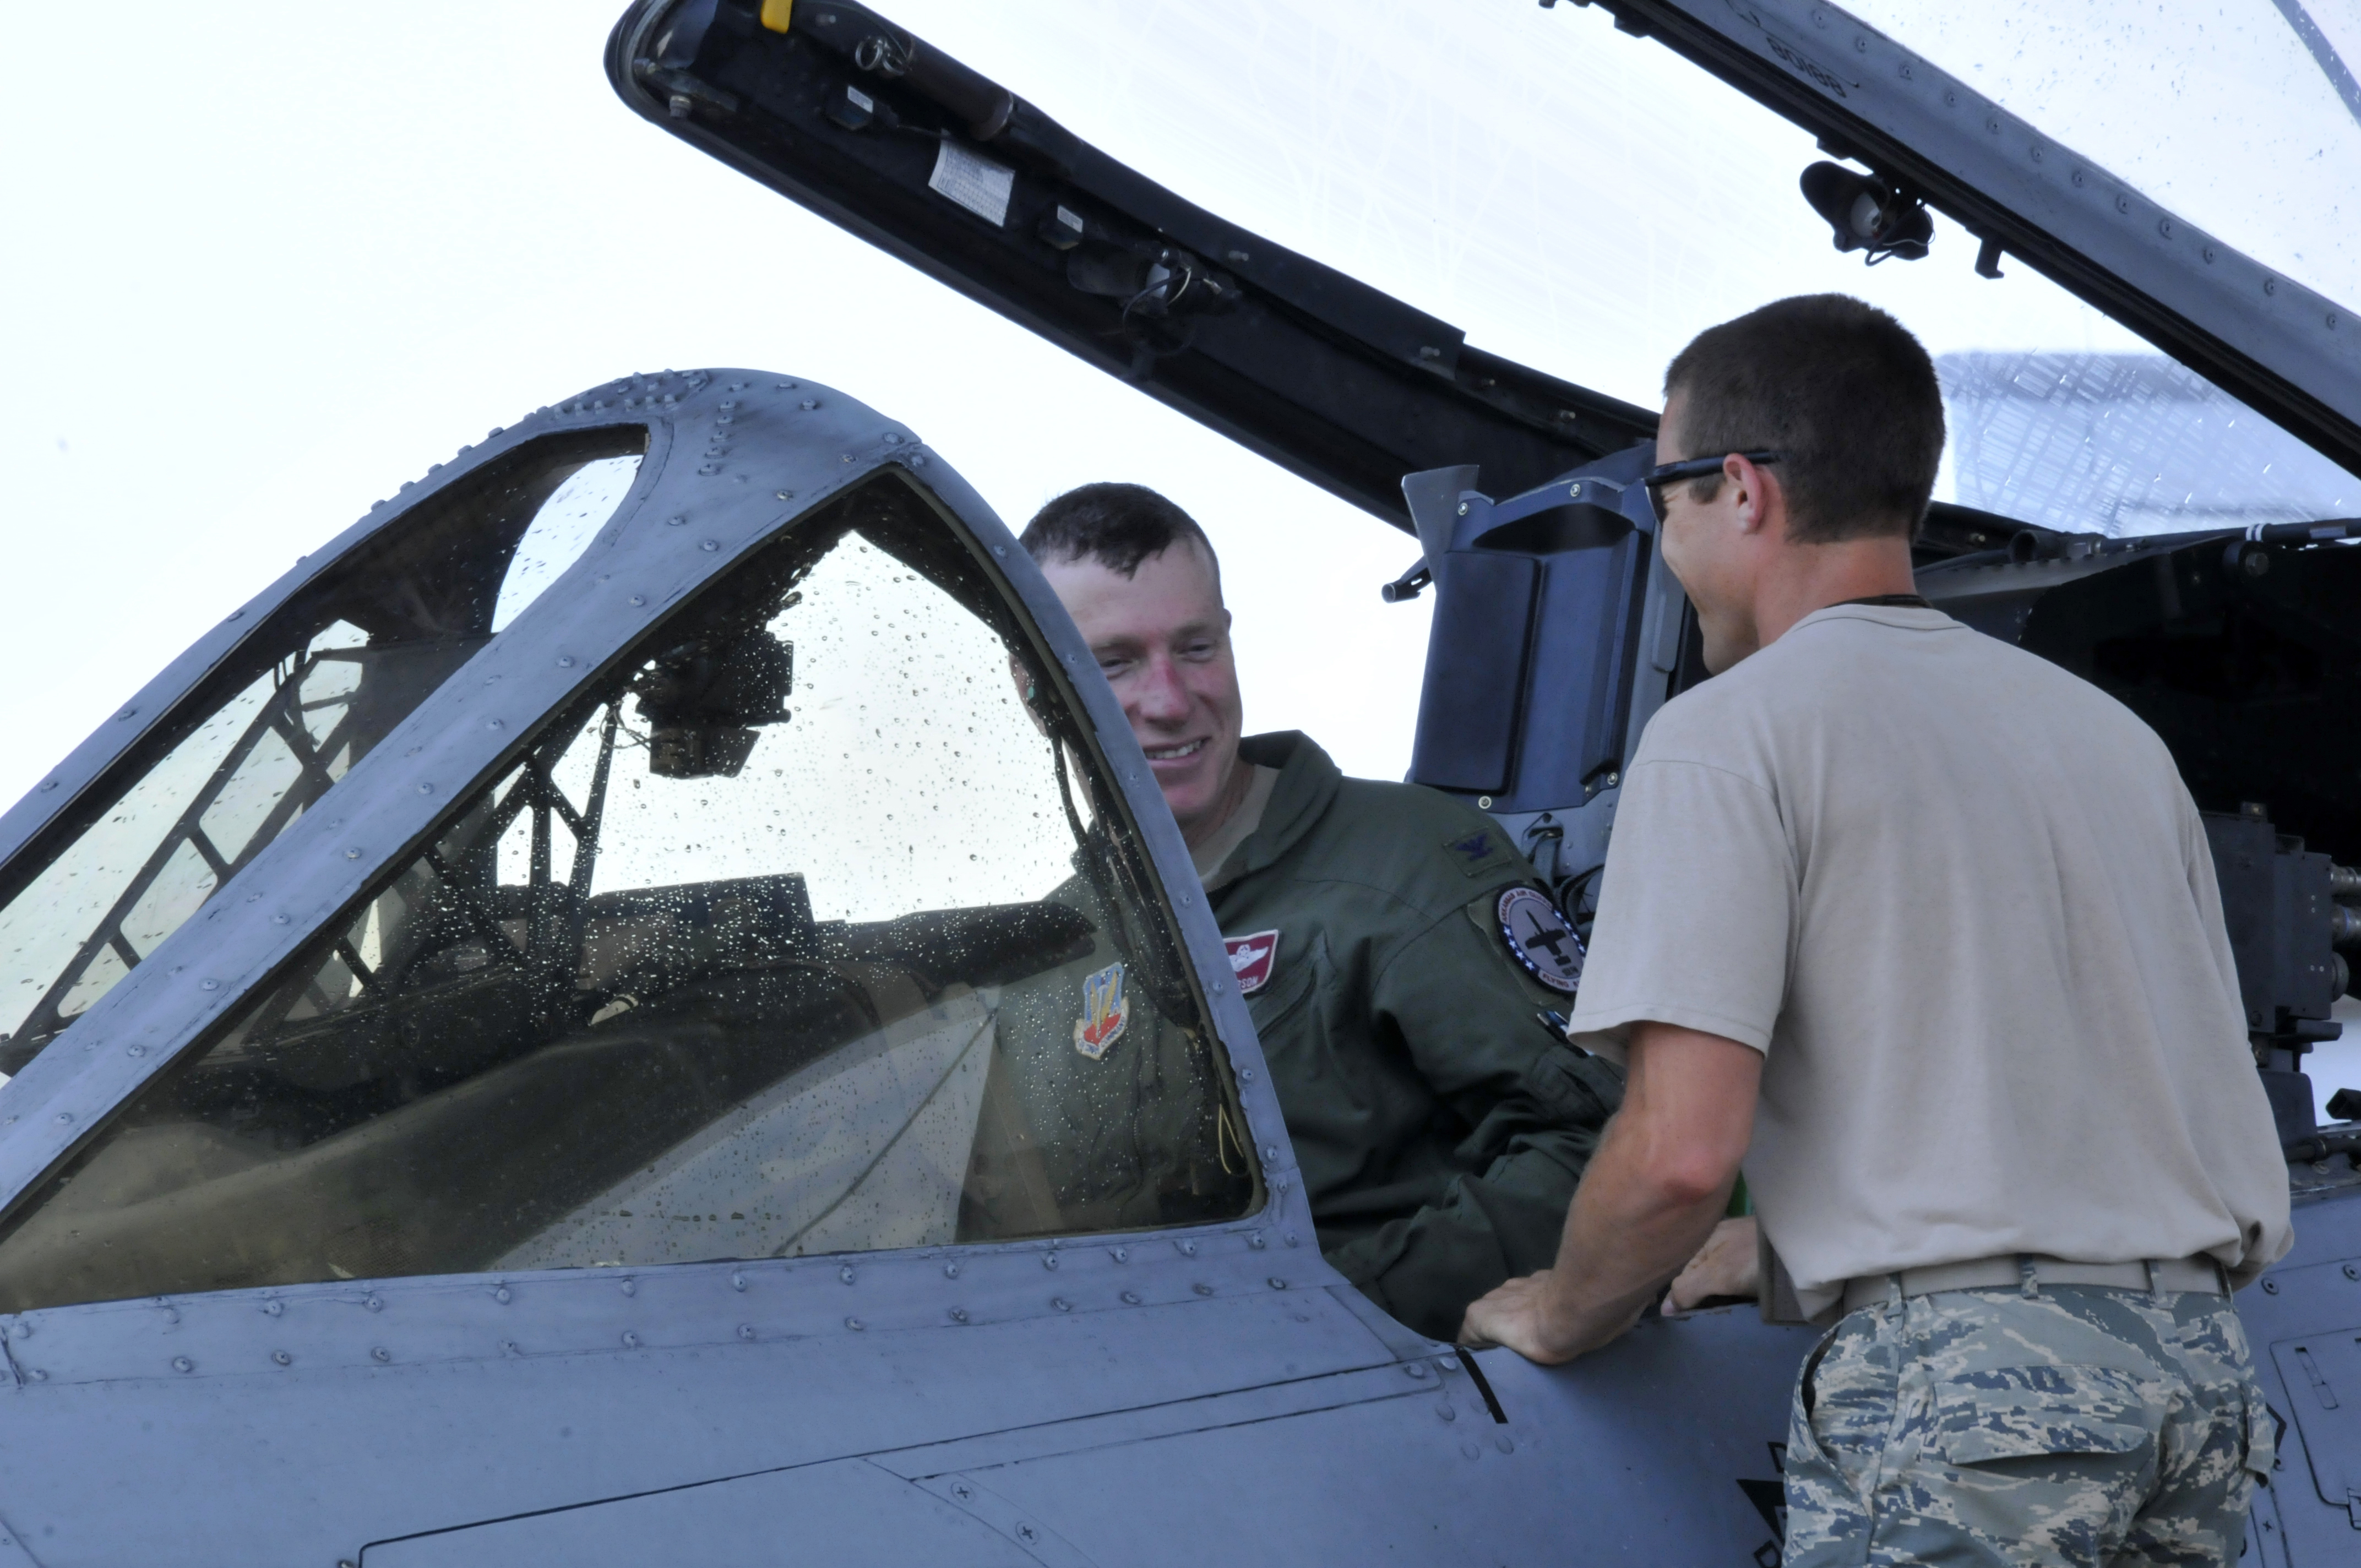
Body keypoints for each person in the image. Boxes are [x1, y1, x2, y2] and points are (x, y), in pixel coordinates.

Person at [1460, 295, 2291, 1566]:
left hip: (1971, 1403)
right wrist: (1786, 1243)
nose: (1665, 544)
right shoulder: (2112, 741)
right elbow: (2034, 1110)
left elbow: (1680, 1151)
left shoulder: (1730, 733)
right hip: (2193, 1384)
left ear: (1738, 490)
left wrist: (1560, 1313)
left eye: (1663, 496)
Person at [993, 481, 1622, 1342]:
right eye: (1115, 663)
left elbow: (1596, 1141)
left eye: (1197, 647)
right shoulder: (1044, 956)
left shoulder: (1407, 864)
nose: (1172, 700)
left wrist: (1329, 1318)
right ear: (1034, 686)